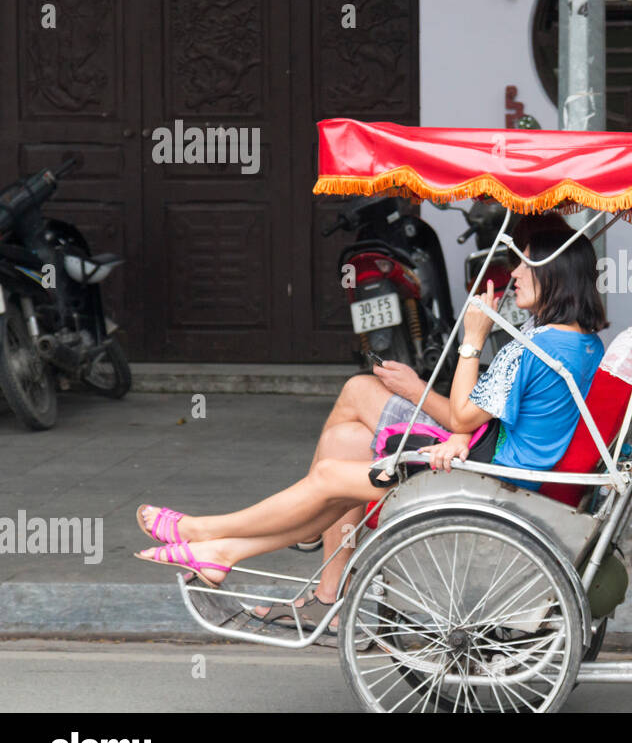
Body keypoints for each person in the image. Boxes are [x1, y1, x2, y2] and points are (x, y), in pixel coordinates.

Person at [133, 230, 607, 620]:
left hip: (491, 476)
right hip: (497, 460)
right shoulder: (582, 344)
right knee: (346, 443)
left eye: (526, 265)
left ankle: (207, 534)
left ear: (556, 274)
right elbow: (481, 415)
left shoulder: (535, 346)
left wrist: (472, 340)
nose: (515, 273)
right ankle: (239, 554)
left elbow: (464, 413)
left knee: (328, 476)